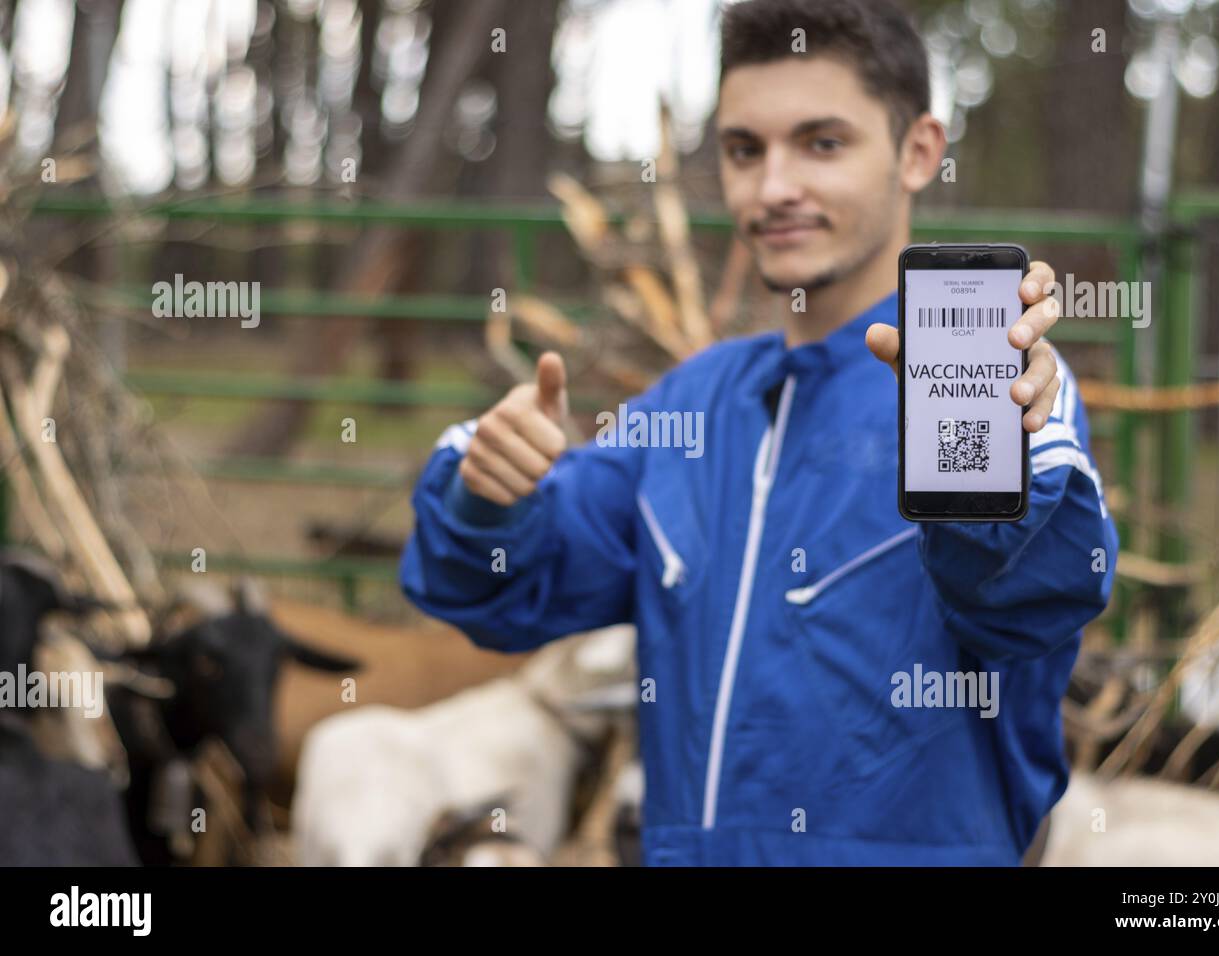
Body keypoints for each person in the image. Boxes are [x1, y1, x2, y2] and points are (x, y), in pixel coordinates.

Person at [400, 0, 1117, 866]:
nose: (774, 186)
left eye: (822, 143)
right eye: (746, 149)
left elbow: (1029, 598)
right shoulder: (692, 404)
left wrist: (987, 471)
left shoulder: (1000, 390)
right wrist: (484, 495)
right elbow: (504, 591)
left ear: (919, 151)